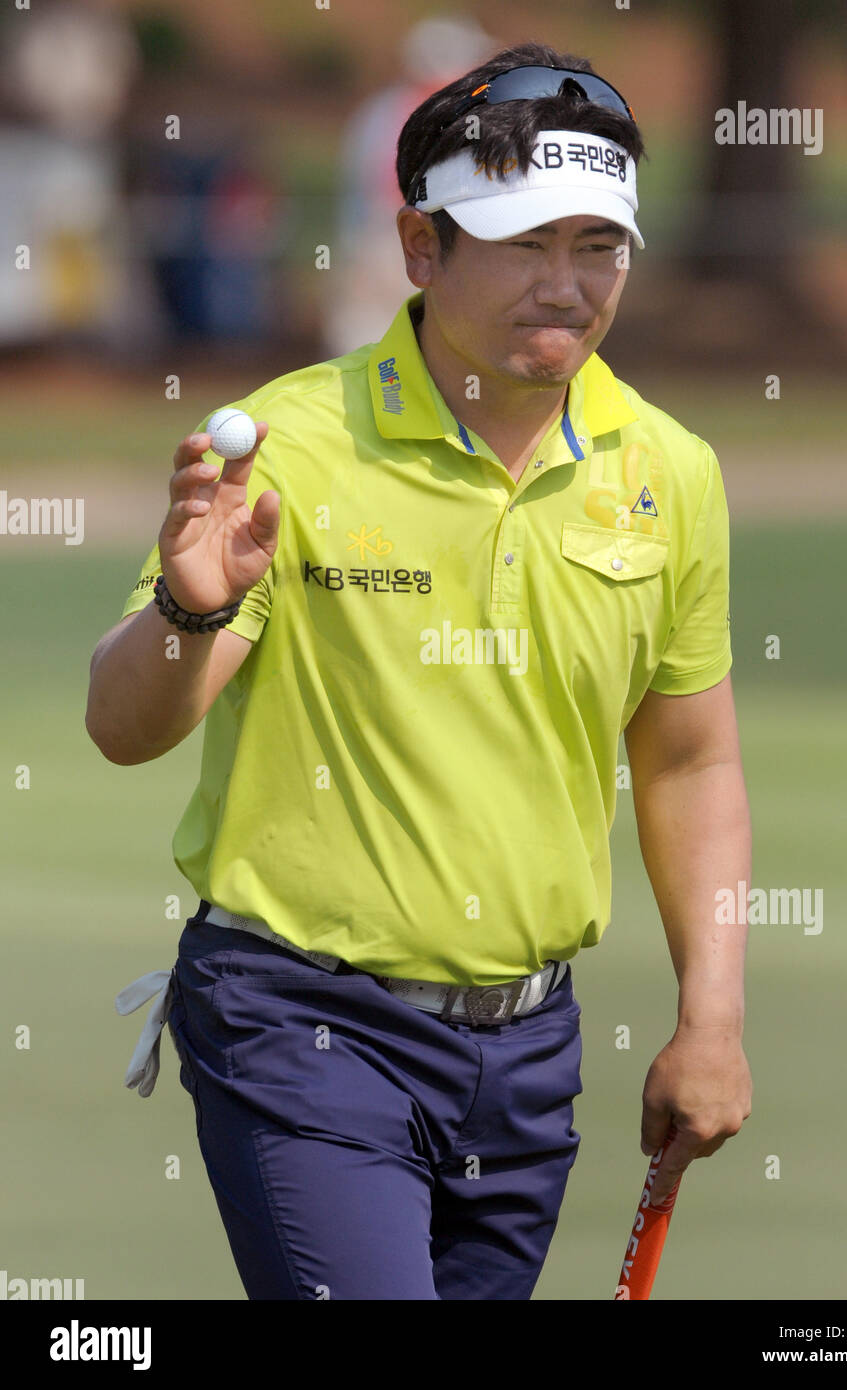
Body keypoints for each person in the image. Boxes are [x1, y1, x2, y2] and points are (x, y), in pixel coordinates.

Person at [87, 40, 752, 1302]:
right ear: (419, 246)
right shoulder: (292, 448)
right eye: (518, 244)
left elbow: (689, 759)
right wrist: (185, 604)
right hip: (300, 1022)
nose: (563, 285)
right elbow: (123, 727)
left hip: (528, 1055)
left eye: (594, 245)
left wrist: (708, 1017)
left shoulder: (670, 471)